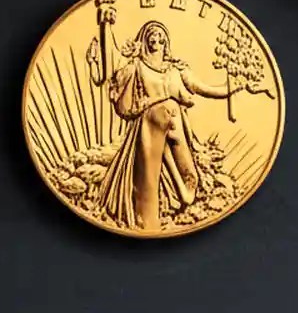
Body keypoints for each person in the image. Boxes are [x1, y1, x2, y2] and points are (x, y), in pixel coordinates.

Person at [97, 20, 233, 231]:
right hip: (148, 128)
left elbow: (202, 88)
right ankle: (147, 221)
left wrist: (231, 88)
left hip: (176, 126)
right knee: (147, 183)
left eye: (161, 35)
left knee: (191, 178)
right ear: (144, 38)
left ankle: (177, 185)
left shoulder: (176, 69)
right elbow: (111, 77)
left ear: (166, 41)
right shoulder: (136, 67)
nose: (157, 38)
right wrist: (106, 27)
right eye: (152, 34)